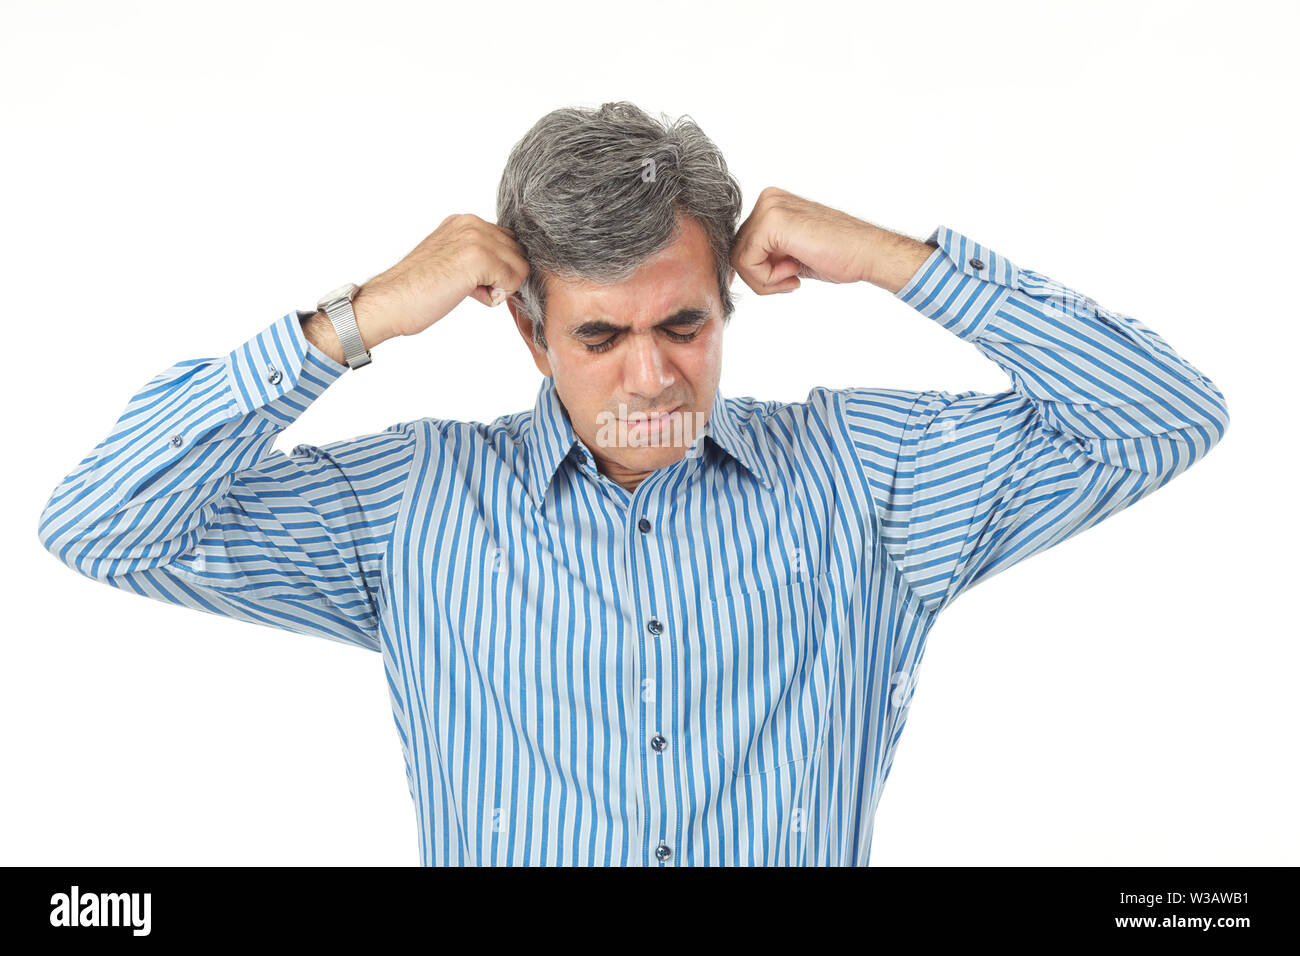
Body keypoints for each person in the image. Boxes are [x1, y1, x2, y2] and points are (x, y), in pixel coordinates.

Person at [37, 101, 1230, 866]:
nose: (652, 372)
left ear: (726, 305)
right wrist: (348, 325)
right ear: (528, 333)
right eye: (600, 335)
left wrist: (892, 260)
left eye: (684, 322)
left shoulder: (869, 481)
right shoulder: (410, 508)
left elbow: (1162, 417)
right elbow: (101, 527)